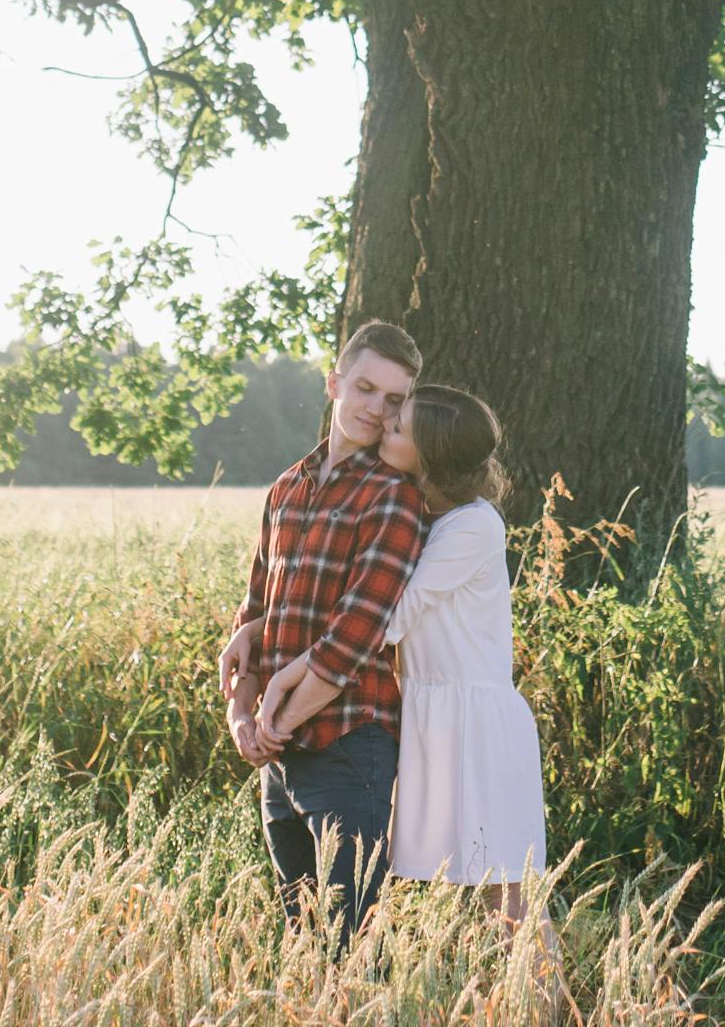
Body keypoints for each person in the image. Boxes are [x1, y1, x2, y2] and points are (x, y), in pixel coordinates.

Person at [255, 383, 552, 963]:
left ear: (430, 452)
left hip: (477, 728)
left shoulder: (472, 526)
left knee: (508, 900)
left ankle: (544, 1009)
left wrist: (288, 679)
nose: (385, 424)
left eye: (399, 427)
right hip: (431, 719)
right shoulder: (424, 511)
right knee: (466, 897)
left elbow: (387, 618)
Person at [220, 318, 427, 948]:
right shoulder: (288, 486)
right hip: (279, 757)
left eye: (393, 400)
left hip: (348, 745)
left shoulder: (394, 496)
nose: (375, 409)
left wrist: (273, 723)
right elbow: (257, 609)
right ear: (334, 382)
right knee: (302, 938)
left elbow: (354, 637)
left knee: (351, 947)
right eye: (365, 388)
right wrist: (239, 711)